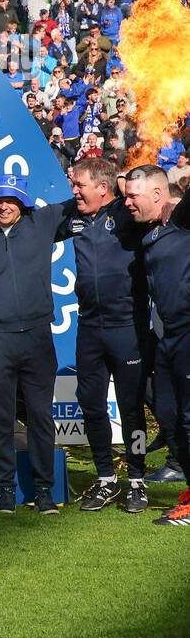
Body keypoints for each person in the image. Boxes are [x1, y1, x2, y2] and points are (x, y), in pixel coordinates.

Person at [0, 174, 69, 514]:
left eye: (10, 200)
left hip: (37, 337)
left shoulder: (42, 222)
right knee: (1, 420)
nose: (2, 206)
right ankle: (5, 490)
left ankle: (44, 490)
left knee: (40, 417)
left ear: (23, 203)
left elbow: (83, 197)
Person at [67, 158, 155, 512]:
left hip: (127, 329)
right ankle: (105, 478)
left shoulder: (126, 213)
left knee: (131, 408)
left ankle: (137, 479)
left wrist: (120, 183)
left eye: (80, 186)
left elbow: (137, 192)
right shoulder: (71, 217)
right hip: (89, 328)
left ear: (102, 189)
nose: (74, 191)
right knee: (91, 405)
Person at [124, 165, 190, 526]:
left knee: (188, 417)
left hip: (187, 334)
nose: (127, 202)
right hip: (166, 340)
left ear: (157, 195)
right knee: (167, 413)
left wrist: (178, 201)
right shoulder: (148, 229)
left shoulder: (181, 220)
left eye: (134, 196)